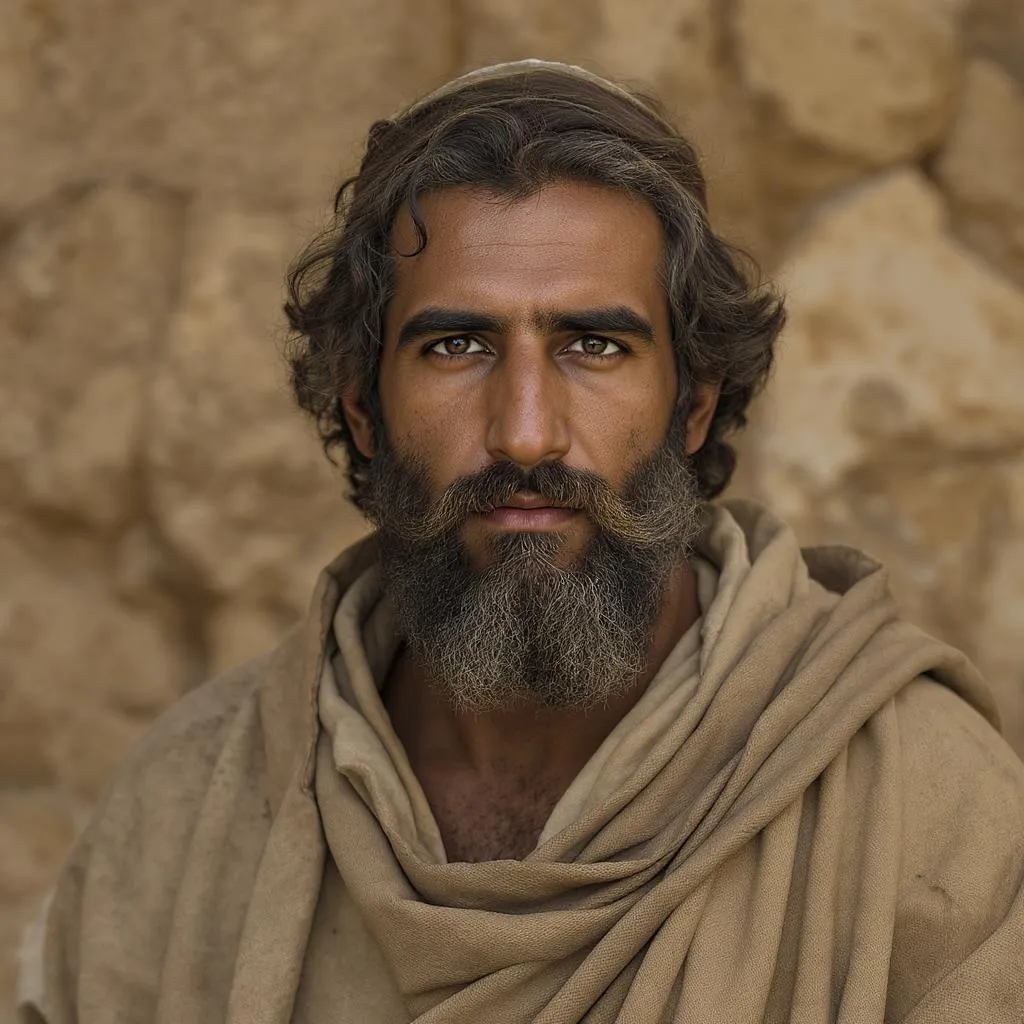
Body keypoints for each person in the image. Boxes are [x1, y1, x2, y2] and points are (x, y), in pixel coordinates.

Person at [19, 61, 1024, 1024]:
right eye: (457, 345)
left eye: (594, 344)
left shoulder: (929, 817)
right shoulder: (186, 812)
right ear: (365, 409)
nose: (527, 430)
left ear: (691, 404)